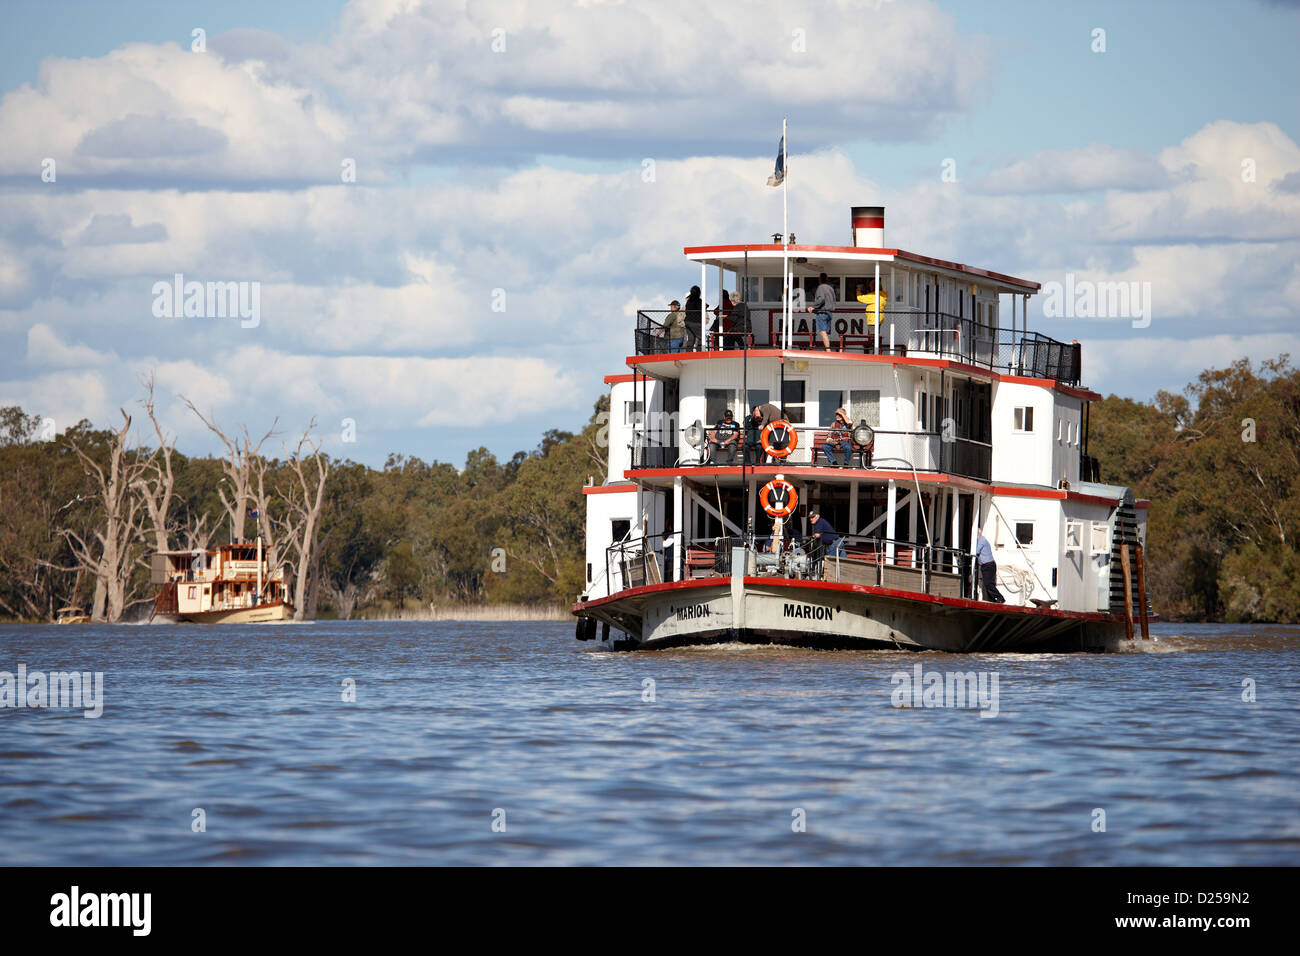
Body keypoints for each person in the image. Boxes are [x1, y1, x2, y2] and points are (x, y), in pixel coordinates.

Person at [805, 272, 837, 350]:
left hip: (822, 312)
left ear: (819, 279)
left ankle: (828, 350)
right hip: (830, 313)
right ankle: (827, 348)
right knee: (825, 332)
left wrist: (813, 306)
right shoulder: (831, 288)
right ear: (827, 279)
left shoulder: (821, 287)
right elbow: (834, 300)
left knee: (822, 332)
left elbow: (821, 299)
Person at [976, 531, 1004, 603]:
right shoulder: (980, 540)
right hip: (986, 565)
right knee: (987, 583)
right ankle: (993, 600)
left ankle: (1000, 598)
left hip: (989, 565)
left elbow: (976, 551)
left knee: (988, 583)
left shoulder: (981, 539)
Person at [683, 286, 704, 351]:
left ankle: (688, 354)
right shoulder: (699, 301)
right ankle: (700, 353)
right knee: (701, 337)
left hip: (687, 321)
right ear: (699, 293)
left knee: (691, 339)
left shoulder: (688, 301)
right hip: (695, 322)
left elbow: (686, 311)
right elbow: (700, 310)